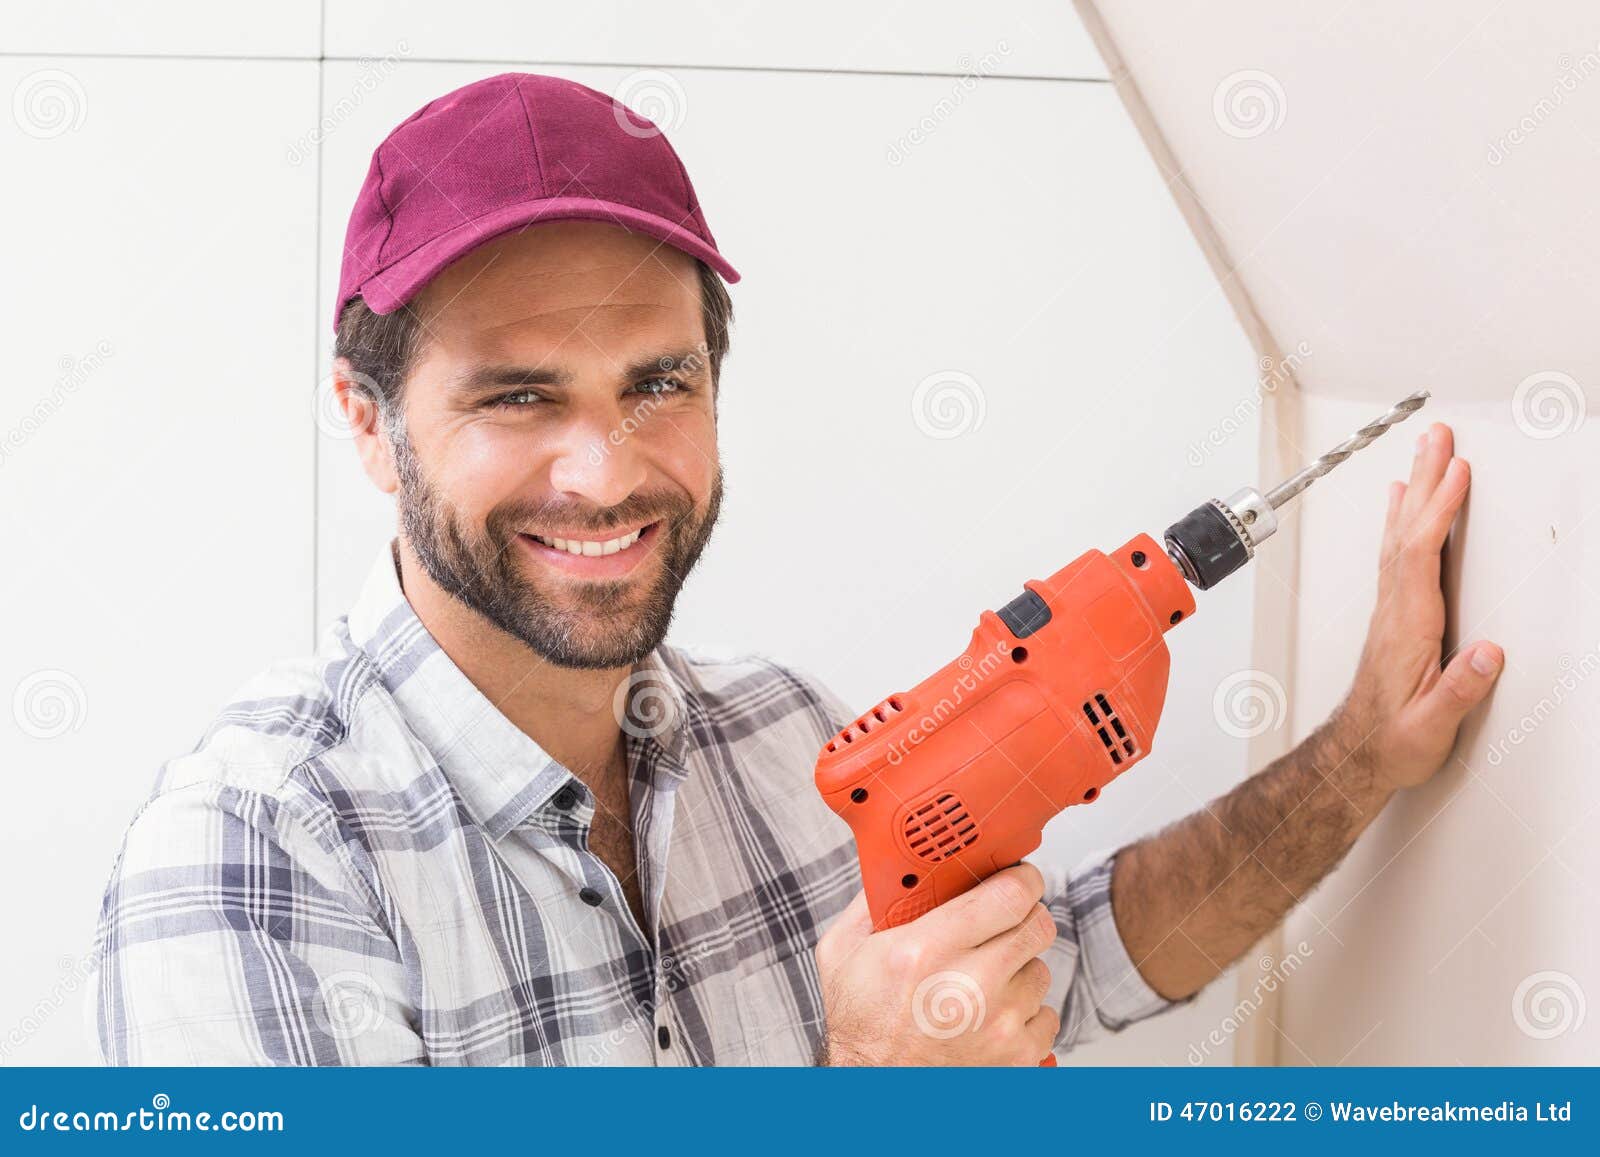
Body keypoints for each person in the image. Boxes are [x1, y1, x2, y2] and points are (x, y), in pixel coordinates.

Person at [89, 73, 1502, 1066]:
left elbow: (1085, 957)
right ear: (369, 421)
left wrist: (1361, 755)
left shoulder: (790, 741)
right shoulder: (254, 861)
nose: (605, 468)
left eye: (659, 380)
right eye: (518, 396)